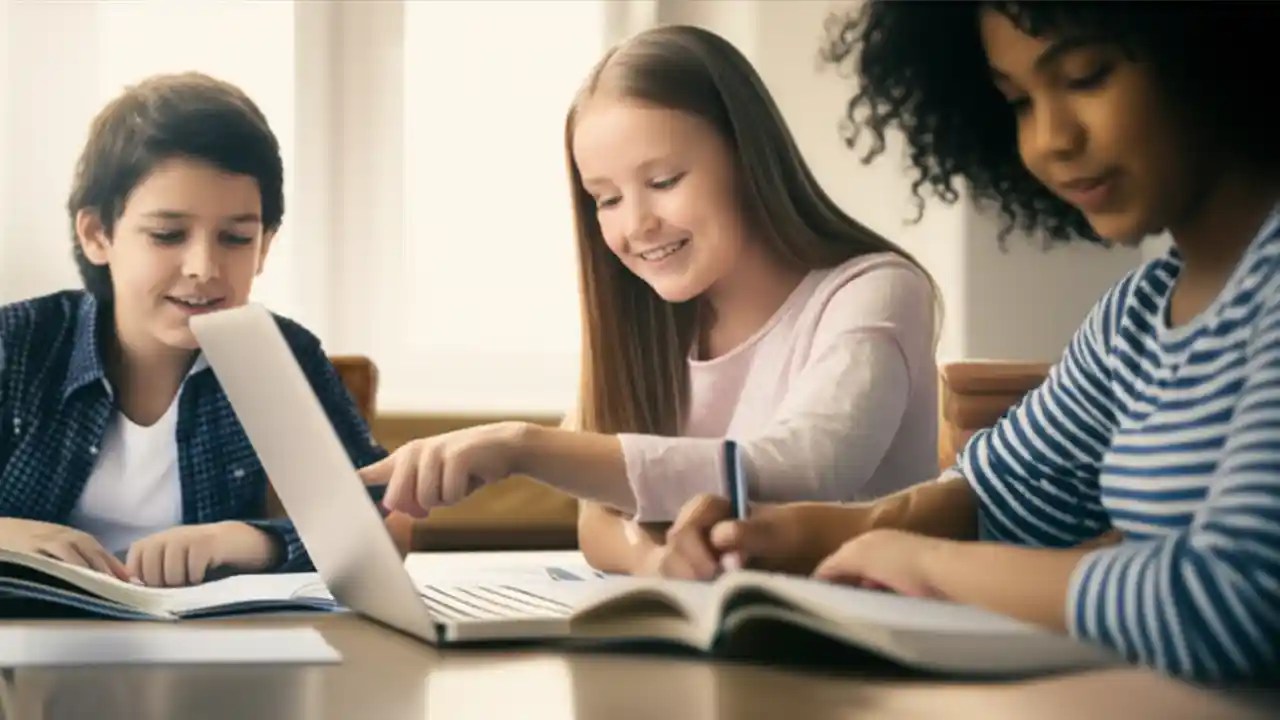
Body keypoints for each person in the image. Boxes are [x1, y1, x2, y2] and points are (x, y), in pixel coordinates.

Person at [661, 1, 1280, 683]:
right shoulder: (1134, 320)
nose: (1050, 140)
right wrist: (788, 534)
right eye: (1015, 101)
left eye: (1086, 75)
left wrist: (924, 565)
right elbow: (998, 496)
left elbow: (1240, 600)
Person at [361, 25, 940, 575]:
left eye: (663, 182)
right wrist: (651, 563)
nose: (636, 225)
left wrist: (522, 446)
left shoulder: (876, 291)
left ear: (747, 158)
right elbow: (599, 516)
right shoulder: (655, 317)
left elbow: (807, 470)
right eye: (606, 199)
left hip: (856, 651)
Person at [0, 72, 386, 587]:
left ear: (264, 246)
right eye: (167, 235)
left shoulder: (280, 356)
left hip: (210, 653)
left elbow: (382, 528)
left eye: (235, 237)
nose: (204, 266)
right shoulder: (20, 344)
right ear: (97, 235)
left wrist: (253, 541)